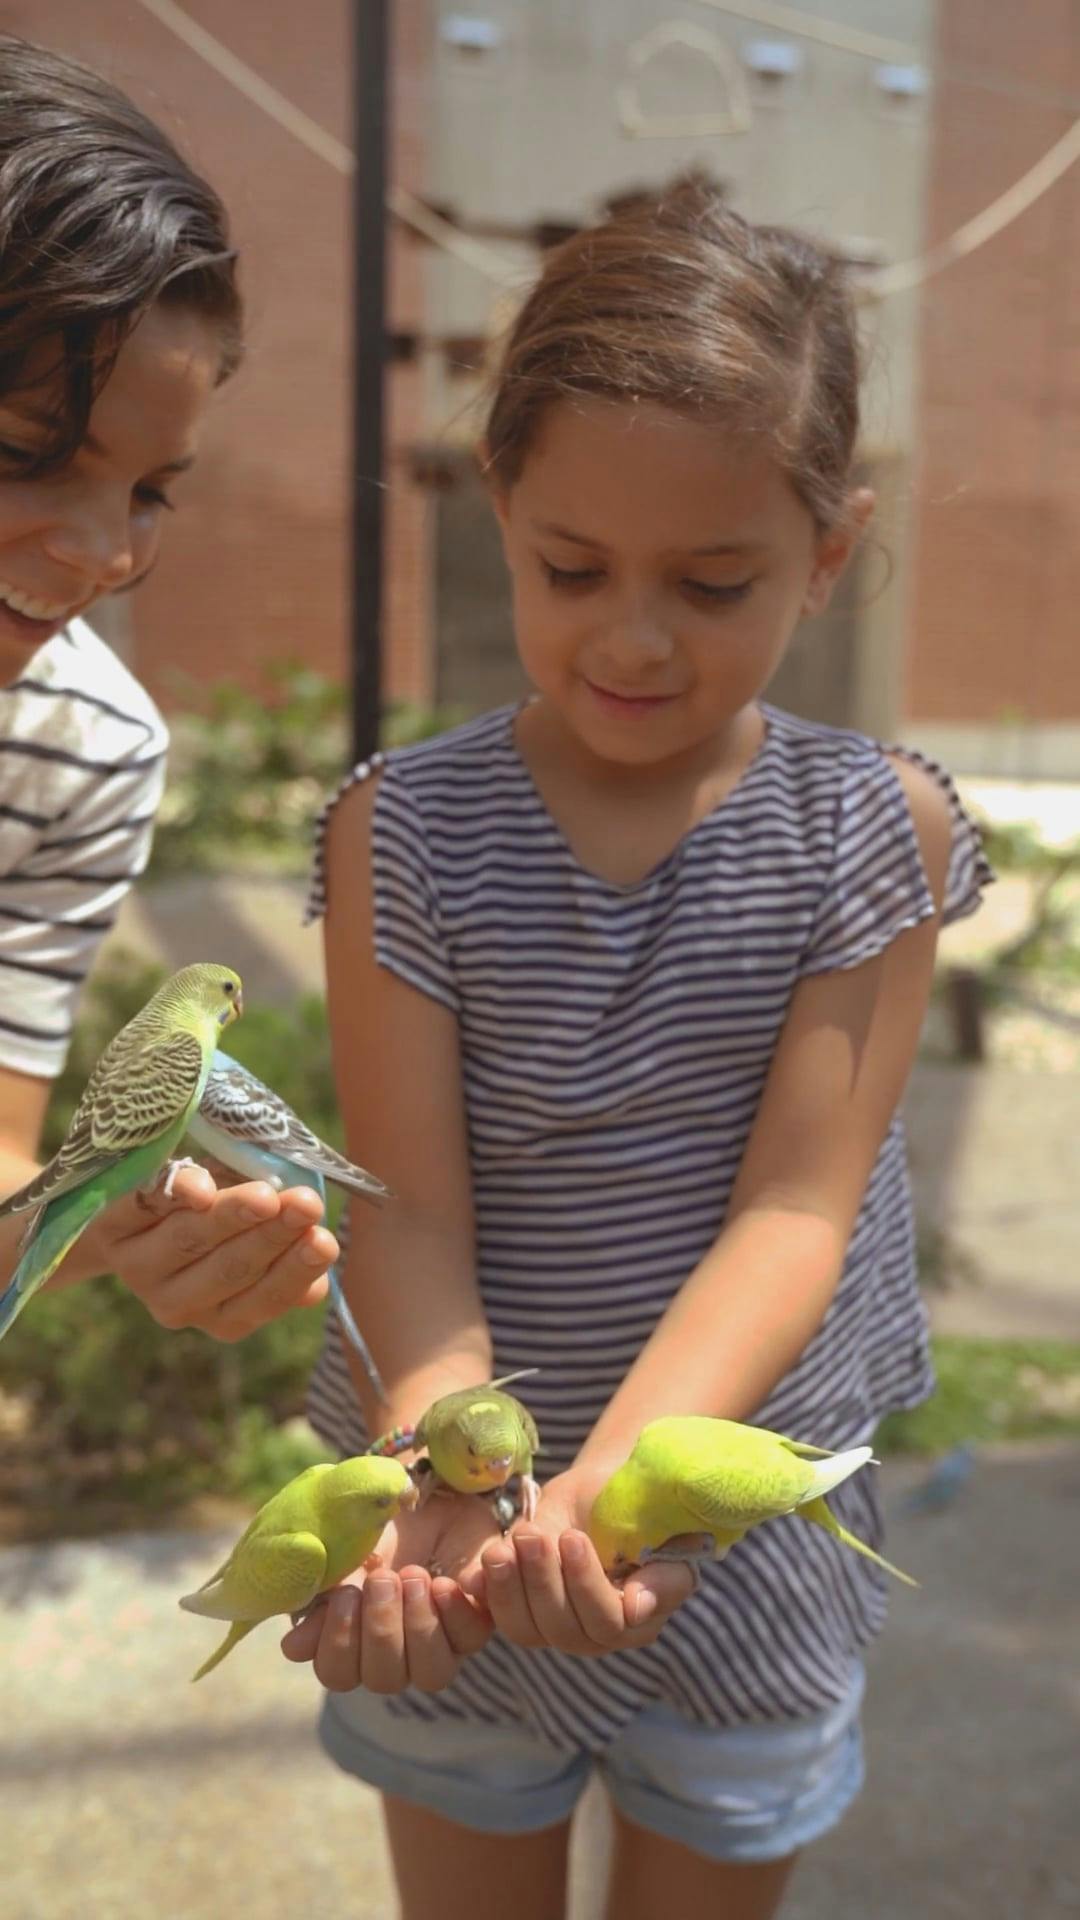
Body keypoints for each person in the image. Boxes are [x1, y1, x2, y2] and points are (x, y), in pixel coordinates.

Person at [283, 183, 992, 1920]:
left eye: (714, 580)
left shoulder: (871, 832)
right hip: (452, 1546)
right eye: (571, 568)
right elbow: (405, 1209)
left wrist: (608, 1491)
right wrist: (457, 1463)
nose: (633, 635)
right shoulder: (403, 832)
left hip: (738, 1543)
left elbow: (796, 1213)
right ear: (497, 504)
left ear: (832, 546)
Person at [0, 36, 338, 1337]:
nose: (104, 553)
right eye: (28, 451)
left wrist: (108, 1221)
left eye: (149, 492)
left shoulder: (85, 750)